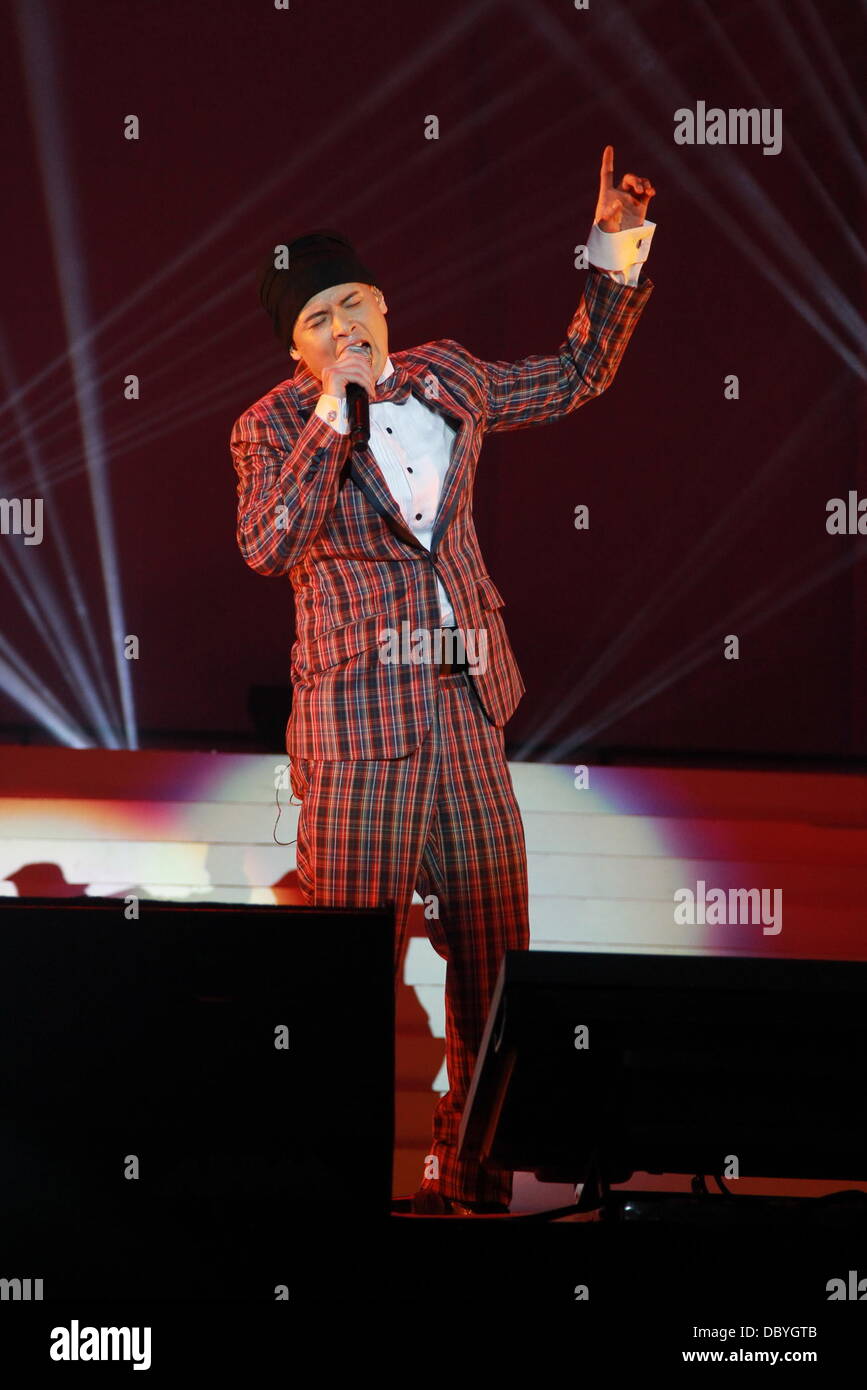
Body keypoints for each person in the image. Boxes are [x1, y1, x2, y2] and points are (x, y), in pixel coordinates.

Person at [231, 145, 657, 1216]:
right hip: (360, 735)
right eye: (321, 318)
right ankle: (329, 1199)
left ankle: (469, 1185)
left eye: (357, 304)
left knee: (494, 967)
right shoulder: (271, 425)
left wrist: (611, 253)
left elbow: (574, 376)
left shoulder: (449, 375)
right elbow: (268, 544)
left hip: (466, 716)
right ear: (297, 349)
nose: (346, 328)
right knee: (346, 984)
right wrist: (336, 415)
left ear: (386, 306)